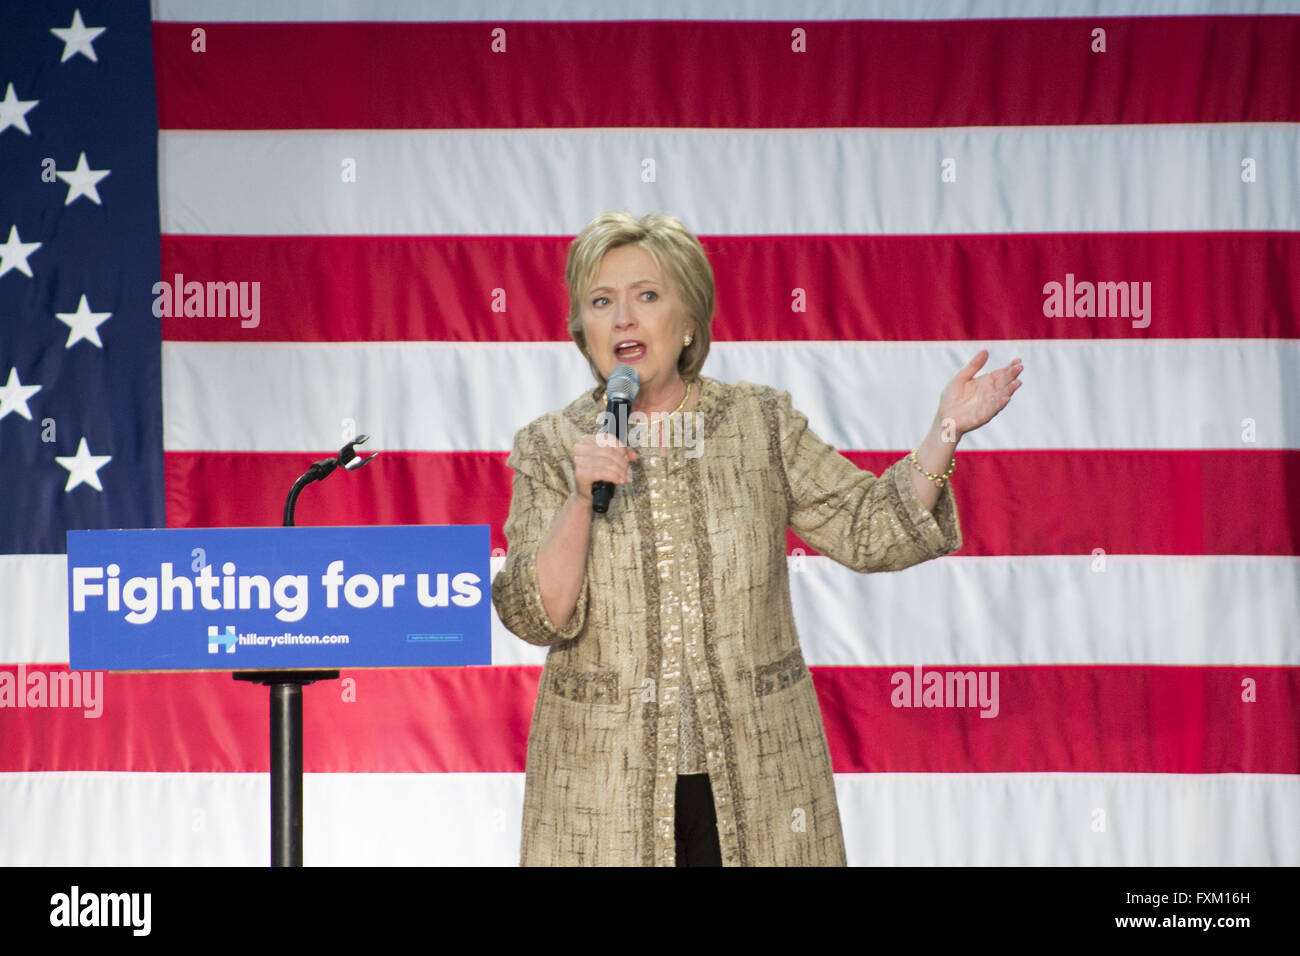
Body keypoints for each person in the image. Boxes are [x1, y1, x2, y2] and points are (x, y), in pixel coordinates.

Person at [491, 210, 1023, 866]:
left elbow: (869, 528)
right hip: (604, 790)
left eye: (646, 295)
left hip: (757, 780)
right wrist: (580, 497)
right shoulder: (550, 444)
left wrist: (945, 429)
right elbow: (537, 614)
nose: (623, 318)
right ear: (583, 330)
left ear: (688, 322)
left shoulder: (758, 423)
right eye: (601, 302)